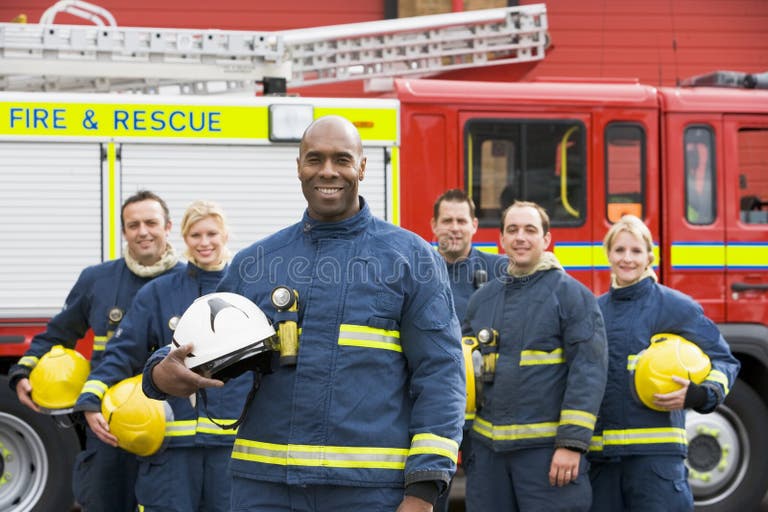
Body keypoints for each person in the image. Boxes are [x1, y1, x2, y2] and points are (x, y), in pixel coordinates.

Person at [143, 115, 466, 512]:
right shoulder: (255, 263)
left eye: (342, 159)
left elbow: (441, 375)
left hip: (369, 492)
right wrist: (160, 374)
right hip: (264, 490)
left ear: (362, 167)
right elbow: (189, 345)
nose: (327, 171)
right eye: (315, 159)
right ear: (298, 166)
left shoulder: (411, 260)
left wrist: (422, 492)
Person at [8, 190, 182, 512]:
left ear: (168, 226)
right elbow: (58, 334)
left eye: (151, 223)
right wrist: (23, 371)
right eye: (133, 225)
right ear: (124, 231)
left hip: (173, 425)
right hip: (107, 424)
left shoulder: (189, 281)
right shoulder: (97, 280)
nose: (142, 231)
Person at [72, 199, 251, 512]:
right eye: (196, 235)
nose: (205, 242)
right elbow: (122, 354)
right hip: (172, 451)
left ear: (225, 235)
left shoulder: (247, 292)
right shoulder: (158, 293)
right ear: (183, 237)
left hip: (230, 449)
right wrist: (90, 398)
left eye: (212, 233)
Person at [462, 200, 608, 512]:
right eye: (512, 230)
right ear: (501, 240)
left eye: (530, 230)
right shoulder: (482, 300)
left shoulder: (572, 296)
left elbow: (588, 373)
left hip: (546, 457)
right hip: (489, 458)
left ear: (546, 239)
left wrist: (571, 444)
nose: (520, 237)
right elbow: (461, 373)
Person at [588, 215, 740, 512]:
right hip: (601, 464)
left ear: (649, 257)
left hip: (656, 464)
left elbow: (724, 360)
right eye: (619, 250)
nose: (627, 258)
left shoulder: (676, 307)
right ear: (608, 255)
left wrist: (701, 393)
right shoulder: (593, 311)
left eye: (635, 251)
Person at [430, 188, 507, 512]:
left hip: (488, 403)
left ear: (475, 224)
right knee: (432, 484)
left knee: (487, 492)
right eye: (447, 220)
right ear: (433, 225)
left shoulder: (501, 271)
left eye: (461, 220)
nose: (454, 227)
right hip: (433, 400)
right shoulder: (418, 269)